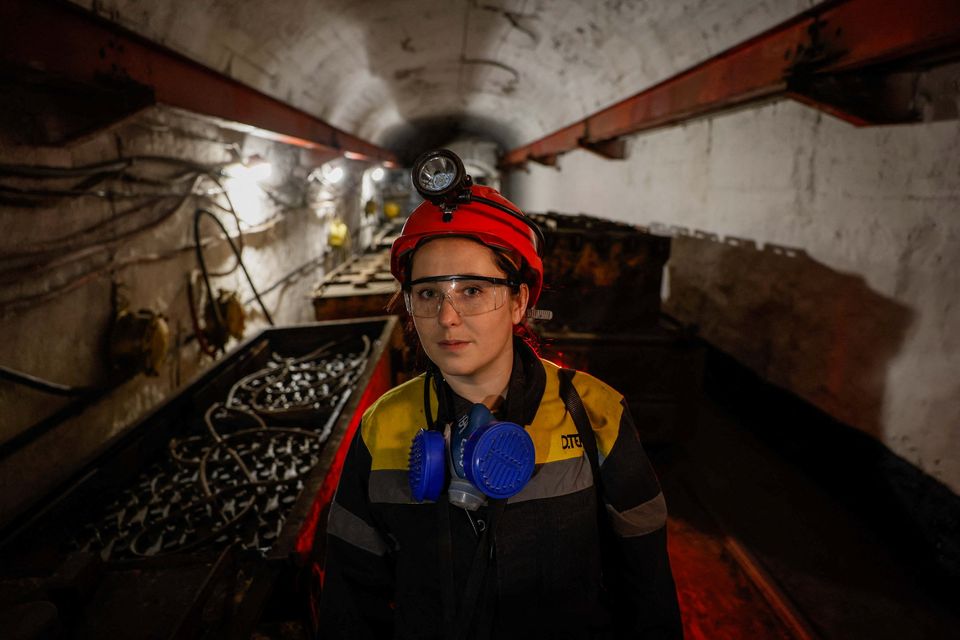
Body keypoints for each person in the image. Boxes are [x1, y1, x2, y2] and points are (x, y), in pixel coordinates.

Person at [319, 150, 682, 639]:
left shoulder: (594, 414)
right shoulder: (383, 425)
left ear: (519, 301)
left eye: (472, 290)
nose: (447, 317)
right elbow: (350, 601)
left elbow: (646, 592)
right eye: (427, 293)